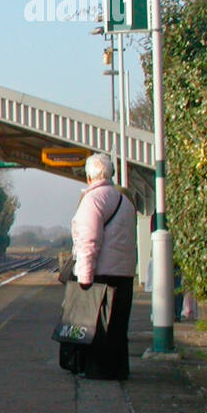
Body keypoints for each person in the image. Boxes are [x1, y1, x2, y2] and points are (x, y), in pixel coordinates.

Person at [69, 152, 137, 379]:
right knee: (118, 327)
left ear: (89, 177)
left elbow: (89, 241)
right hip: (125, 274)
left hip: (102, 274)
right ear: (111, 174)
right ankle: (119, 369)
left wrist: (84, 277)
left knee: (98, 327)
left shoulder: (93, 199)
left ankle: (98, 370)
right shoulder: (125, 201)